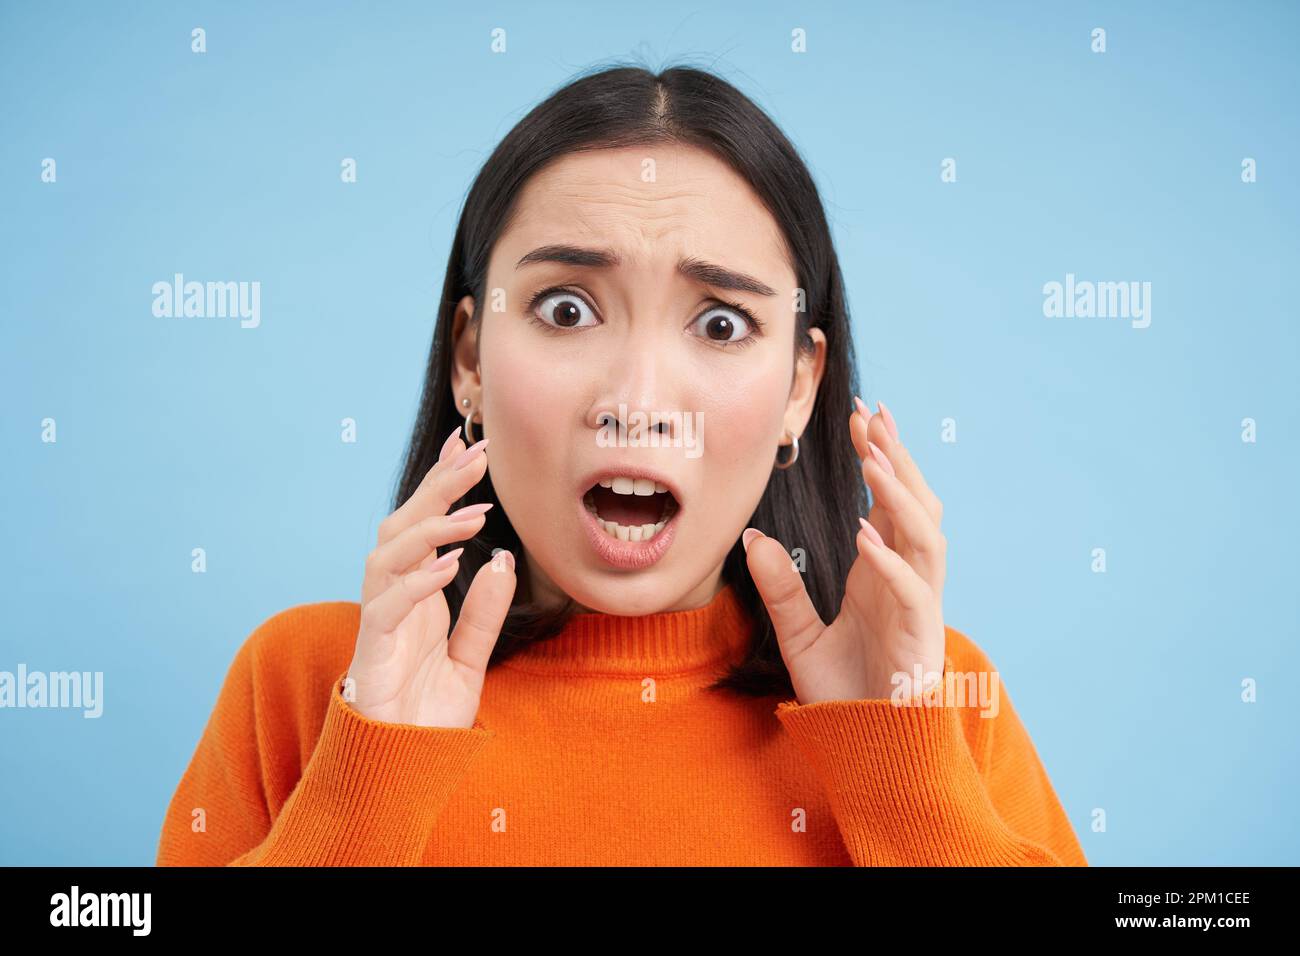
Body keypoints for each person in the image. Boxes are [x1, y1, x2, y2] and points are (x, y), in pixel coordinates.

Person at [156, 64, 1087, 867]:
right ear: (470, 360)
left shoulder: (930, 698)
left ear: (799, 388)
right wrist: (369, 785)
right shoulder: (307, 683)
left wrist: (900, 775)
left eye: (721, 323)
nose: (636, 401)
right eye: (566, 310)